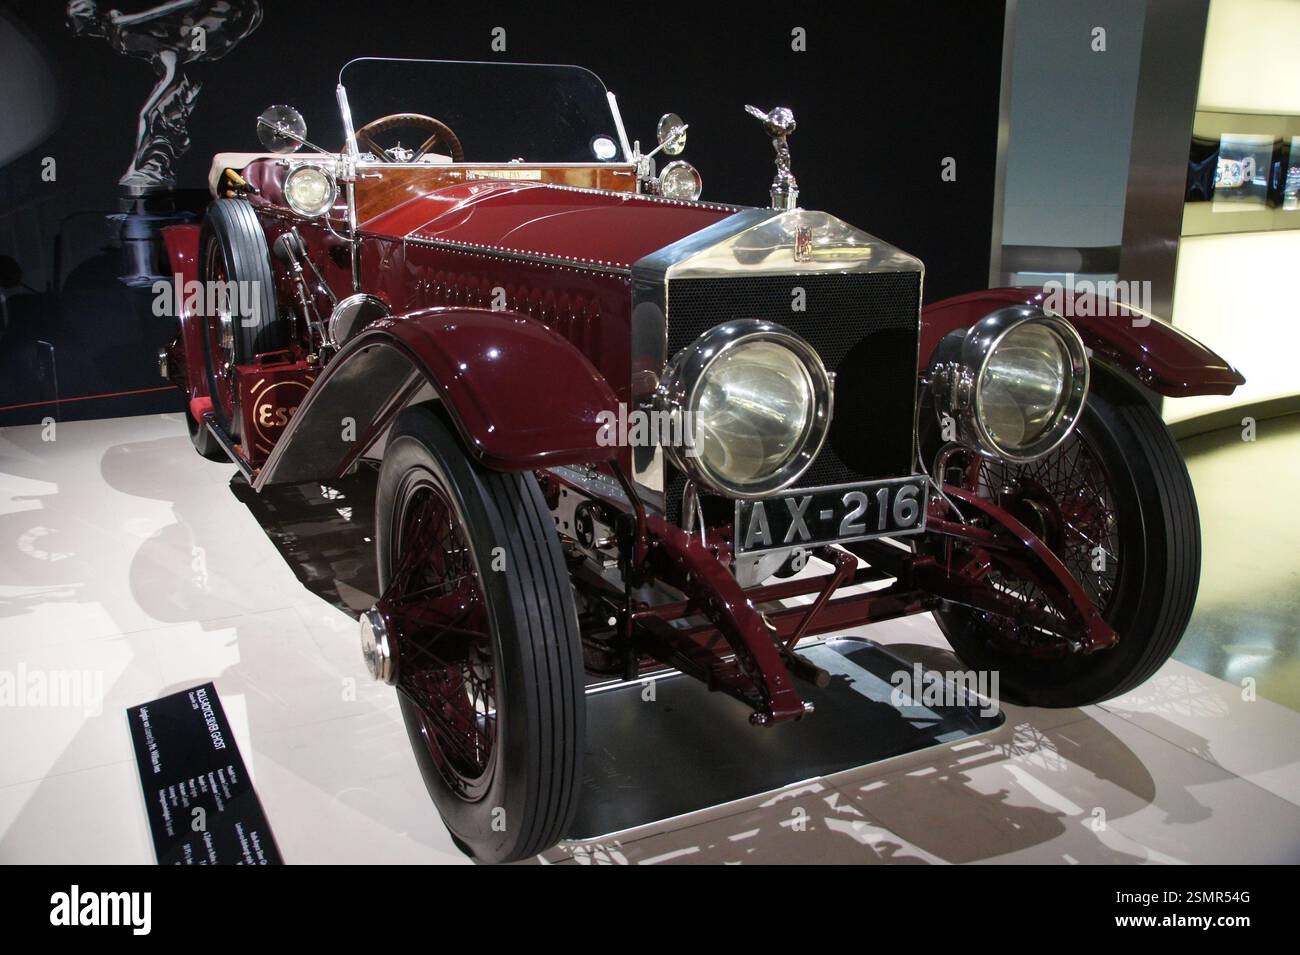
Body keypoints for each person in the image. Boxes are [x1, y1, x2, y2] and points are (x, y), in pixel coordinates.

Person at [67, 0, 263, 192]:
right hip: (190, 50)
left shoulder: (118, 27)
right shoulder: (115, 32)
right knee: (153, 115)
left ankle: (149, 169)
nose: (79, 22)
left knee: (150, 115)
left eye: (81, 15)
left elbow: (161, 30)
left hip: (217, 22)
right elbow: (162, 43)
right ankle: (151, 169)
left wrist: (172, 74)